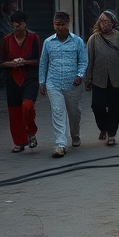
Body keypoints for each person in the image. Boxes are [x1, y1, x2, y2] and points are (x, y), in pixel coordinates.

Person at [38, 11, 87, 158]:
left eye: (62, 25)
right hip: (53, 83)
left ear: (68, 24)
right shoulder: (48, 43)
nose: (59, 28)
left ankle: (75, 135)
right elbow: (43, 63)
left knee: (74, 112)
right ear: (53, 25)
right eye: (57, 24)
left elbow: (83, 61)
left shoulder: (77, 41)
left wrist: (80, 75)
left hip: (73, 84)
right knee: (58, 112)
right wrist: (42, 82)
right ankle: (60, 144)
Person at [84, 10, 119, 146]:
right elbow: (89, 60)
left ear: (113, 23)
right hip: (98, 79)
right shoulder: (94, 39)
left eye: (107, 21)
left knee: (115, 107)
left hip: (115, 79)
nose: (104, 24)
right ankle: (103, 127)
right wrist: (88, 79)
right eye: (102, 21)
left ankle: (112, 134)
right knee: (97, 106)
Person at [0, 10, 41, 153]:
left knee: (27, 106)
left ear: (25, 24)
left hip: (30, 77)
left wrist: (25, 62)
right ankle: (19, 141)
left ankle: (31, 132)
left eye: (20, 25)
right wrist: (11, 64)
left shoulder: (34, 38)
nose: (18, 29)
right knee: (14, 111)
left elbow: (39, 60)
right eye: (15, 26)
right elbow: (0, 62)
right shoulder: (7, 40)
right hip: (12, 78)